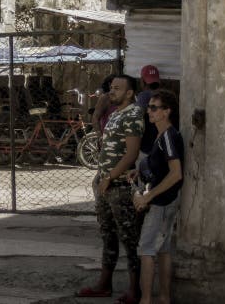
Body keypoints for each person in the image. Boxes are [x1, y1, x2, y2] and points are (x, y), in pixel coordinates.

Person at [77, 74, 144, 304]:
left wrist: (111, 177)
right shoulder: (115, 114)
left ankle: (135, 290)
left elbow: (131, 154)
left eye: (117, 89)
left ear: (129, 93)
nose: (111, 92)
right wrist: (100, 178)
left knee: (129, 238)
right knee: (108, 236)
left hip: (120, 187)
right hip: (106, 185)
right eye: (111, 88)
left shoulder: (133, 115)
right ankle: (104, 285)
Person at [131, 89, 183, 304]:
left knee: (146, 250)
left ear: (166, 112)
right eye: (148, 107)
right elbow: (160, 167)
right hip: (164, 200)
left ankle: (146, 300)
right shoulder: (162, 135)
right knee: (162, 250)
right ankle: (163, 298)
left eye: (154, 108)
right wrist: (139, 172)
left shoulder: (168, 136)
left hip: (161, 202)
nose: (149, 111)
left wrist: (147, 196)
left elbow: (176, 173)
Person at [136, 65, 161, 162]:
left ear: (142, 81)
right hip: (161, 145)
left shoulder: (143, 96)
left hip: (147, 146)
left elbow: (138, 117)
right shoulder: (165, 94)